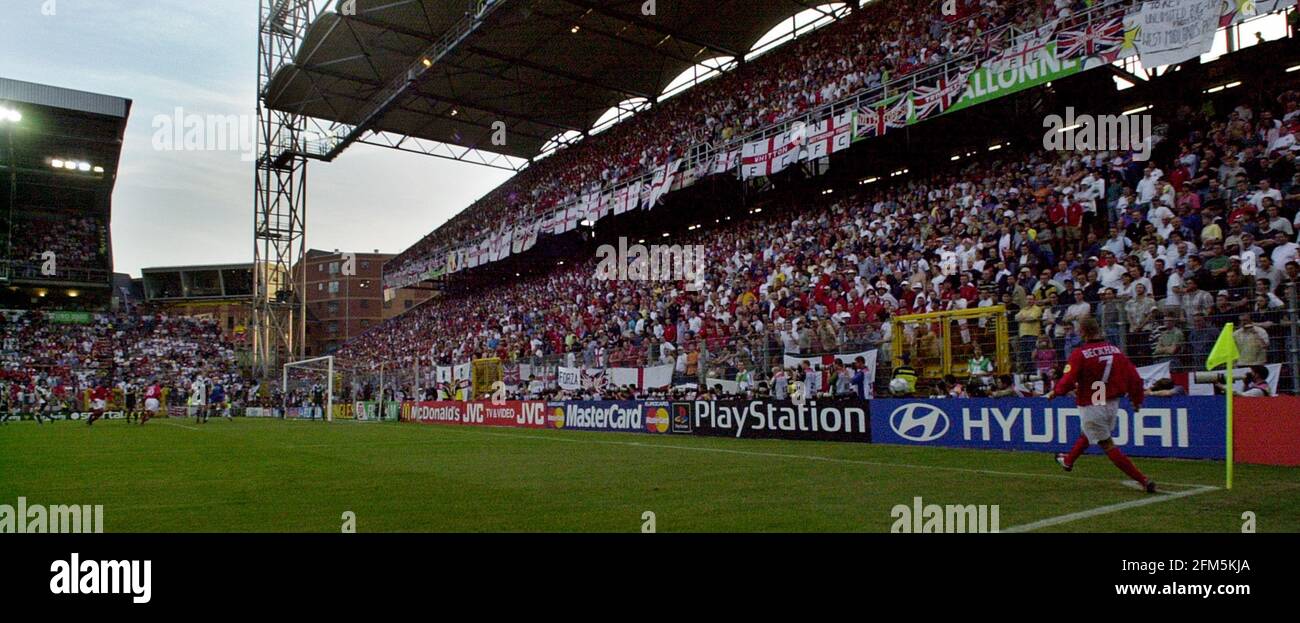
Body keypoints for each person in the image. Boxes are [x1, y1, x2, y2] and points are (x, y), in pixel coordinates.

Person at [1045, 318, 1156, 493]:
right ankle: (1068, 460)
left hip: (1092, 403)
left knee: (1106, 444)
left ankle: (1143, 480)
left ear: (1082, 332)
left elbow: (1068, 380)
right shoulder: (1115, 350)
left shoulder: (1080, 353)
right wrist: (1137, 399)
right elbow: (1134, 377)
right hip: (1110, 402)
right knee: (1088, 433)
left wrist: (1056, 391)